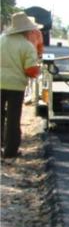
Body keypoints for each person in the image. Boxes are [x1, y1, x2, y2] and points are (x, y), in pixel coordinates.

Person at [1, 12, 41, 158]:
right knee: (13, 119)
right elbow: (30, 70)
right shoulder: (27, 46)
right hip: (15, 87)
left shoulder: (1, 39)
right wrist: (37, 70)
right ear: (26, 30)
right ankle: (10, 152)